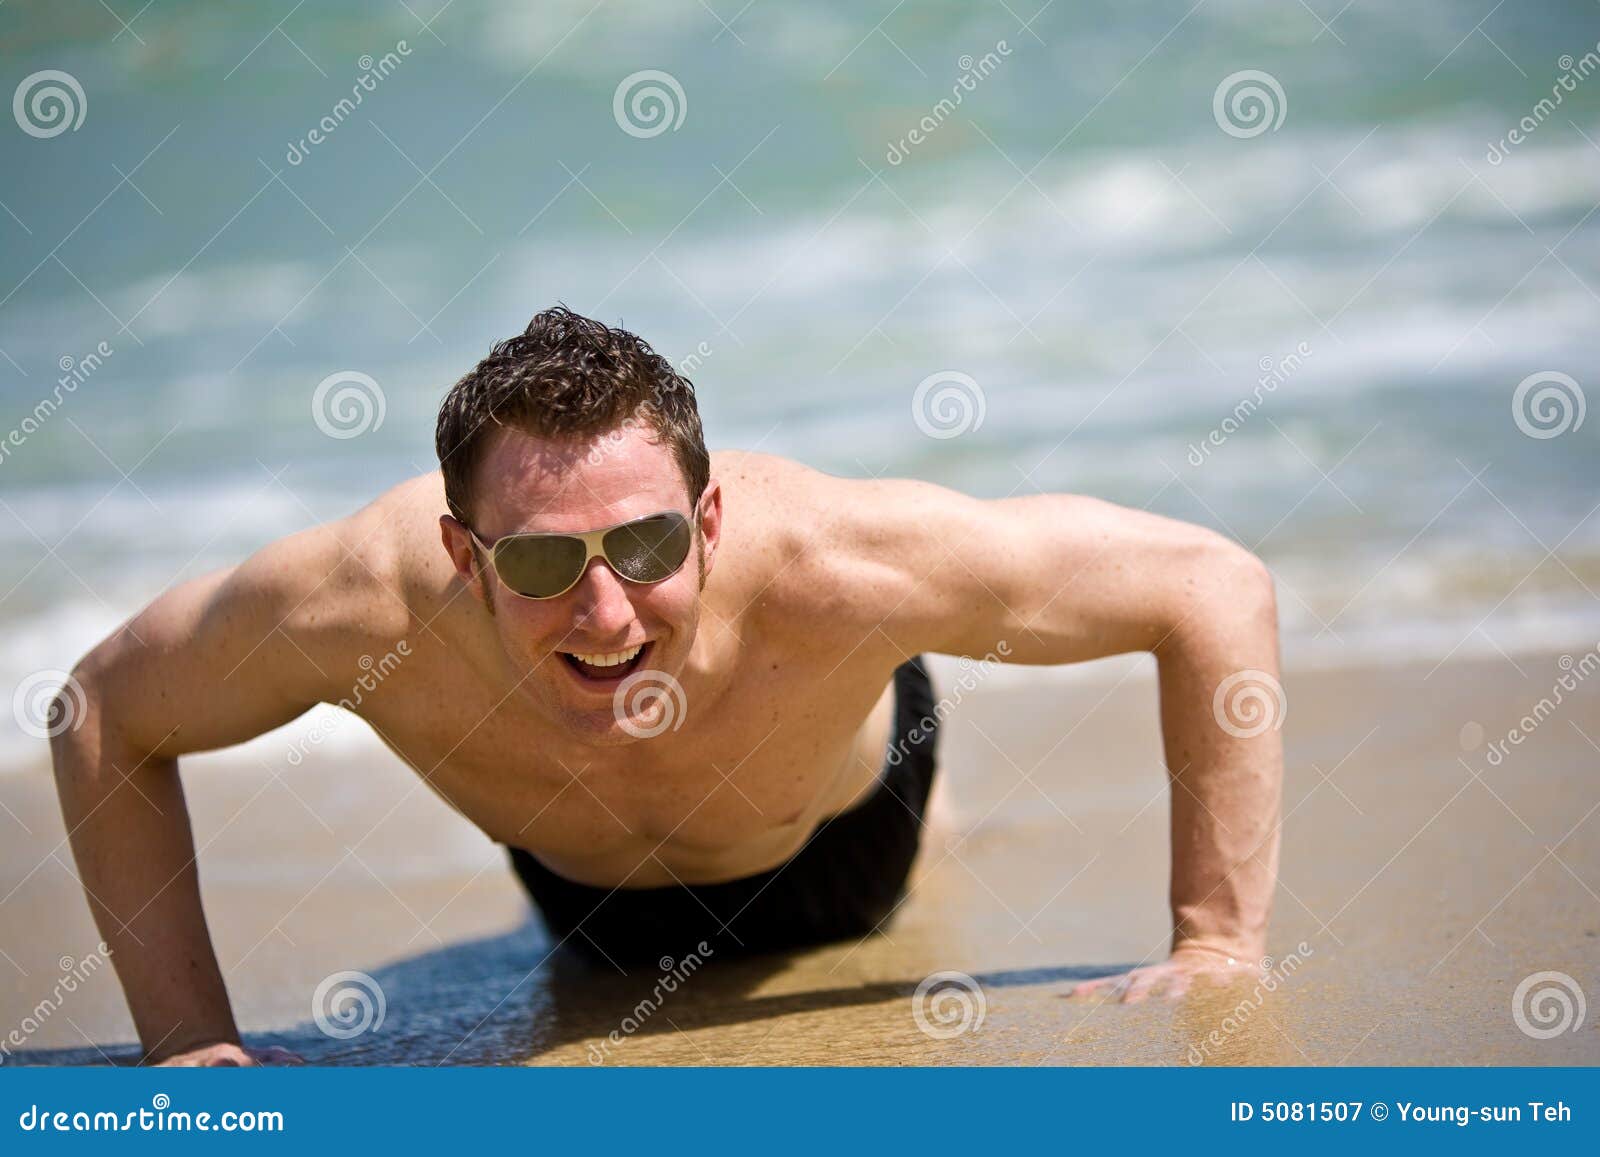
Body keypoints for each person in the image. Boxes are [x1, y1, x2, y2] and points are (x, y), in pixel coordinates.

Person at [51, 306, 1284, 1066]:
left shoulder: (842, 558)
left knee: (901, 780)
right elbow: (100, 711)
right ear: (456, 556)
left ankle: (940, 807)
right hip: (590, 901)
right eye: (537, 563)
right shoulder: (355, 603)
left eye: (644, 550)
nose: (602, 612)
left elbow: (1211, 587)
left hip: (844, 835)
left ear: (707, 519)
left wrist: (1216, 941)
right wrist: (188, 1039)